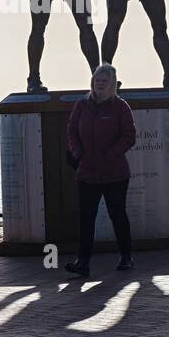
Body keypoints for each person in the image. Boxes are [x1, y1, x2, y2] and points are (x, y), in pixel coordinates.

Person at [65, 64, 137, 277]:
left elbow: (129, 136)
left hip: (115, 173)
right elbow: (71, 132)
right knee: (86, 219)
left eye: (104, 81)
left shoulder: (121, 107)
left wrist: (111, 154)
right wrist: (78, 153)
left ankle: (126, 257)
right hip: (87, 172)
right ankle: (83, 262)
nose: (99, 84)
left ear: (112, 84)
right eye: (97, 79)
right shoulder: (81, 105)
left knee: (118, 215)